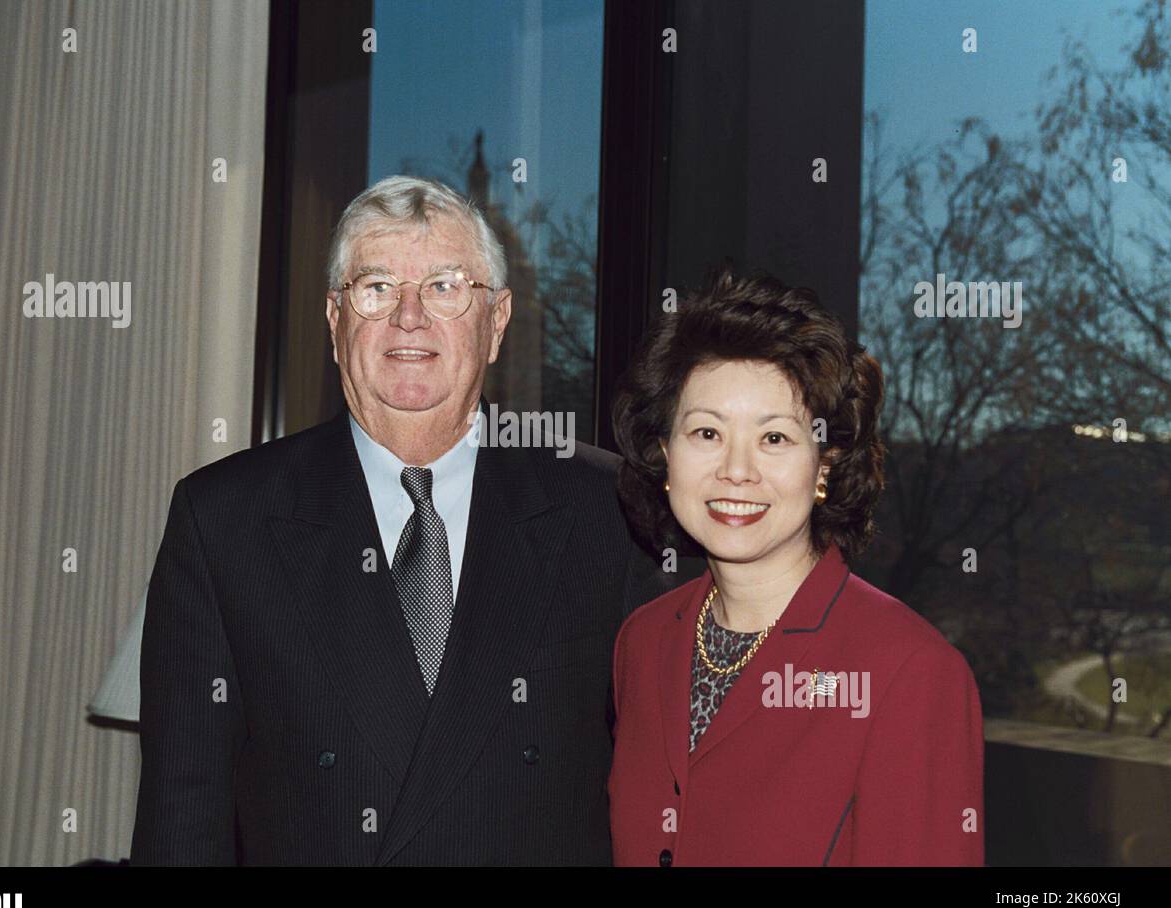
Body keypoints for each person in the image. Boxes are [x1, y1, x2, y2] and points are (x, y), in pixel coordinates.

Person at [129, 175, 677, 865]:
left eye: (447, 286)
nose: (409, 316)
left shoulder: (605, 507)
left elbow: (670, 792)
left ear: (497, 322)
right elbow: (183, 819)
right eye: (377, 287)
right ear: (335, 320)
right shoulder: (223, 521)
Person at [607, 268, 984, 866]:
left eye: (775, 439)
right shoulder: (643, 641)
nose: (737, 469)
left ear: (826, 467)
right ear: (665, 455)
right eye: (707, 431)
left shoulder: (909, 671)